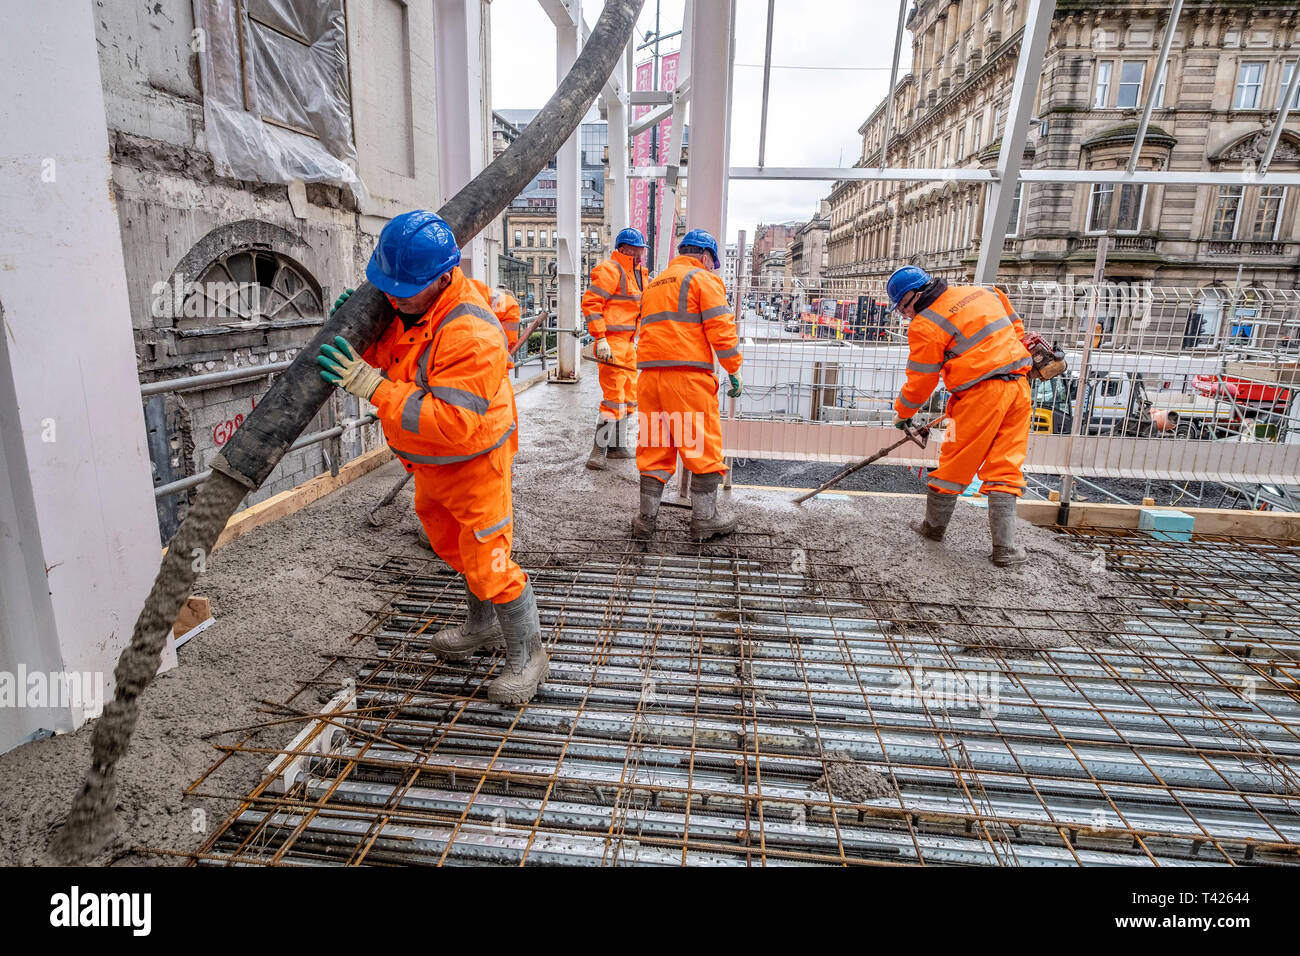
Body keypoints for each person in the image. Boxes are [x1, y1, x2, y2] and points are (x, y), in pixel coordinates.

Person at [317, 210, 547, 703]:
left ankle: (529, 656)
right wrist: (371, 335)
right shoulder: (416, 306)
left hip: (473, 461)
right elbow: (405, 360)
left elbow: (451, 422)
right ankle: (481, 628)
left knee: (490, 557)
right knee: (459, 549)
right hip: (432, 465)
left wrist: (372, 387)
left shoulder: (471, 333)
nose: (394, 295)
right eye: (387, 284)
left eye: (405, 286)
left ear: (444, 277)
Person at [887, 265, 1033, 567]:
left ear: (915, 295)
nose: (904, 314)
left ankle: (933, 529)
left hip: (978, 397)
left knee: (955, 461)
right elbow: (1017, 330)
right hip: (1019, 388)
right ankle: (1005, 549)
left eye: (903, 306)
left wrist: (902, 415)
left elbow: (921, 381)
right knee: (1006, 465)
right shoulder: (985, 291)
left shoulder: (925, 325)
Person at [632, 228, 743, 539]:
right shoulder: (702, 279)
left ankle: (646, 520)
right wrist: (733, 368)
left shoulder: (655, 282)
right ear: (705, 256)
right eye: (712, 261)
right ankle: (705, 519)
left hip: (650, 380)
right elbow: (720, 326)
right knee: (701, 447)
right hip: (686, 380)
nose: (712, 266)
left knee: (654, 446)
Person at [582, 227, 650, 469]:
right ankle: (598, 452)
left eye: (643, 249)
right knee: (613, 398)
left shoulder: (640, 274)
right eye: (639, 249)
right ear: (625, 249)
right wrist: (600, 338)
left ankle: (617, 447)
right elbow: (591, 303)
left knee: (629, 397)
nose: (643, 253)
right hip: (612, 343)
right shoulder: (611, 270)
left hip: (628, 344)